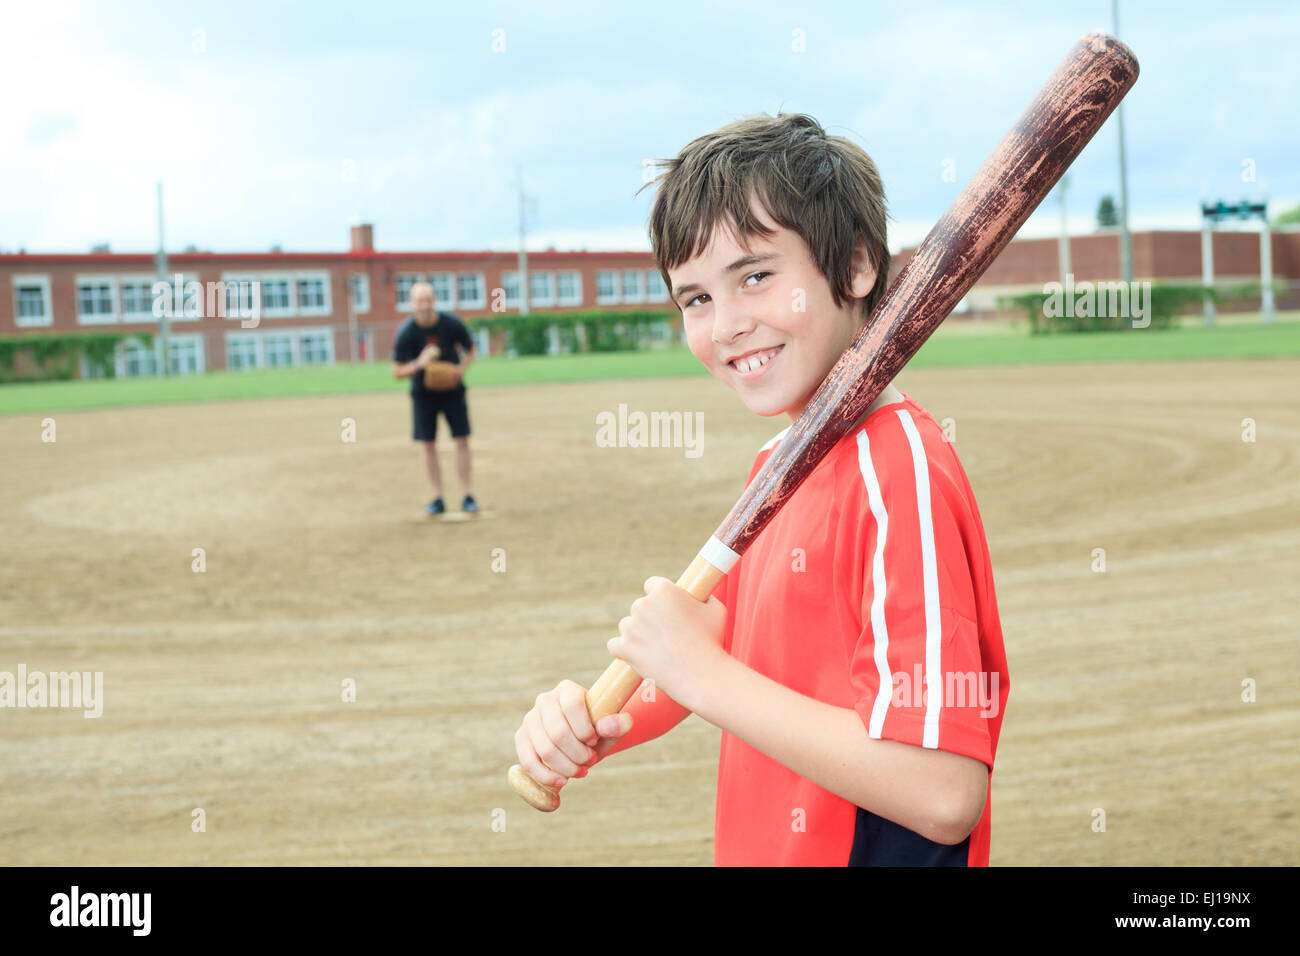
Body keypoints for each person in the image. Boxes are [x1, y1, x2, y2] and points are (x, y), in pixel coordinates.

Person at [513, 113, 1010, 866]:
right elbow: (714, 655)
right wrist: (593, 719)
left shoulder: (894, 472)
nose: (726, 326)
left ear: (854, 268)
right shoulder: (779, 465)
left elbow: (942, 792)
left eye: (754, 276)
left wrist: (705, 676)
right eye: (695, 299)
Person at [391, 281, 478, 516]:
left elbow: (471, 350)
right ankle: (438, 497)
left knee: (462, 440)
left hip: (453, 392)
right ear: (412, 304)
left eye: (429, 300)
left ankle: (467, 495)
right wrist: (420, 363)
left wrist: (460, 369)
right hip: (423, 395)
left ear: (435, 301)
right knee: (428, 445)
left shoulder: (451, 324)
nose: (425, 305)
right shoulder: (407, 332)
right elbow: (397, 372)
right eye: (420, 301)